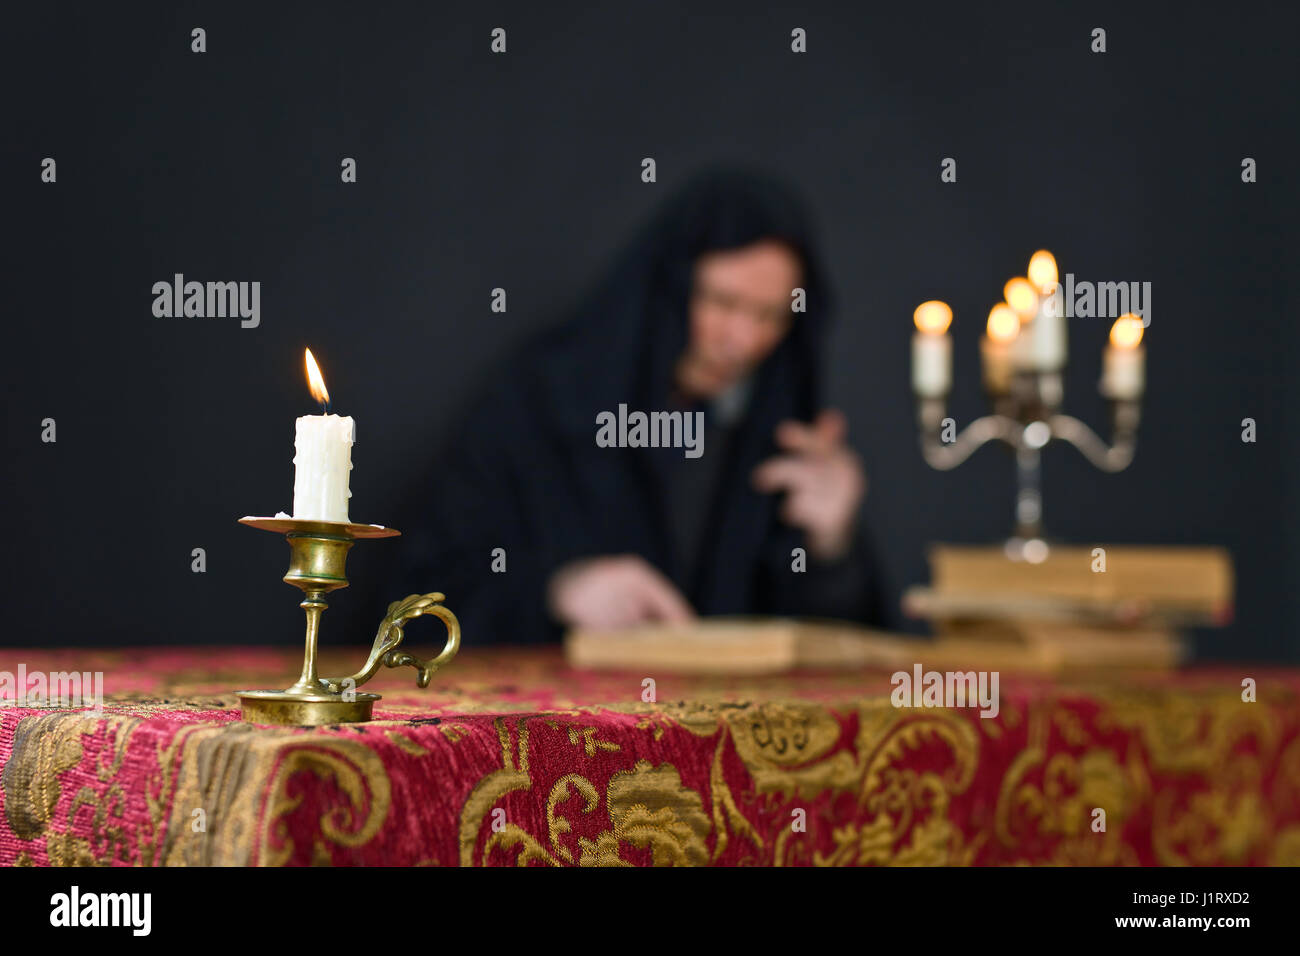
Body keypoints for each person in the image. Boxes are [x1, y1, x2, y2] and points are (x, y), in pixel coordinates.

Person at [395, 167, 890, 642]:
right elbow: (419, 599)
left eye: (770, 315)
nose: (742, 341)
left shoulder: (780, 432)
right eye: (722, 303)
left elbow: (843, 661)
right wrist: (557, 593)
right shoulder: (541, 402)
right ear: (668, 289)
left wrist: (833, 552)